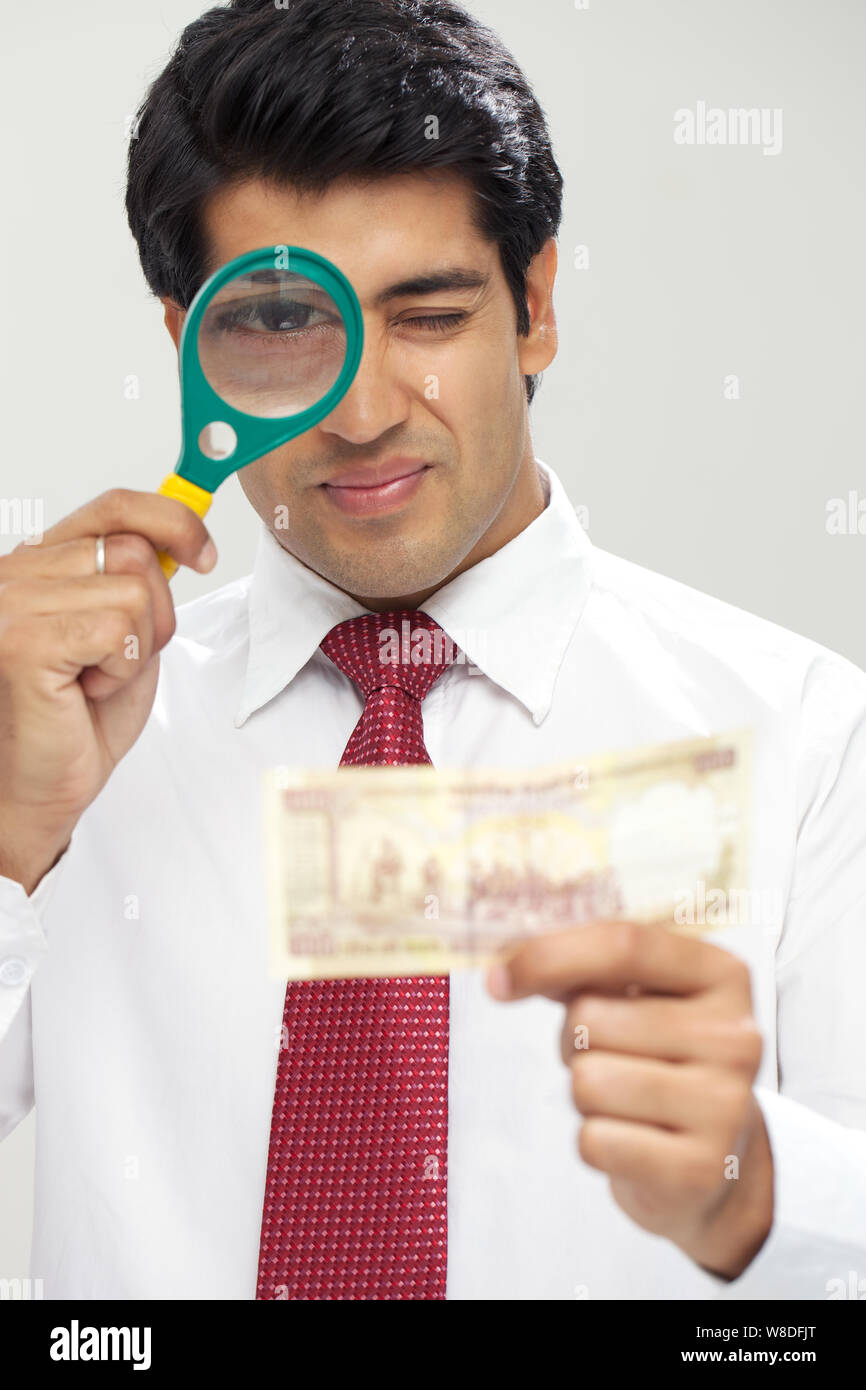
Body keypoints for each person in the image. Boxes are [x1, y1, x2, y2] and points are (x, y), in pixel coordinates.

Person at [1, 0, 864, 1301]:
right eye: (284, 325)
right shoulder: (53, 740)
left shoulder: (803, 737)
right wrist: (10, 829)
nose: (358, 411)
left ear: (534, 308)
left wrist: (754, 1191)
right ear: (189, 349)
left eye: (424, 315)